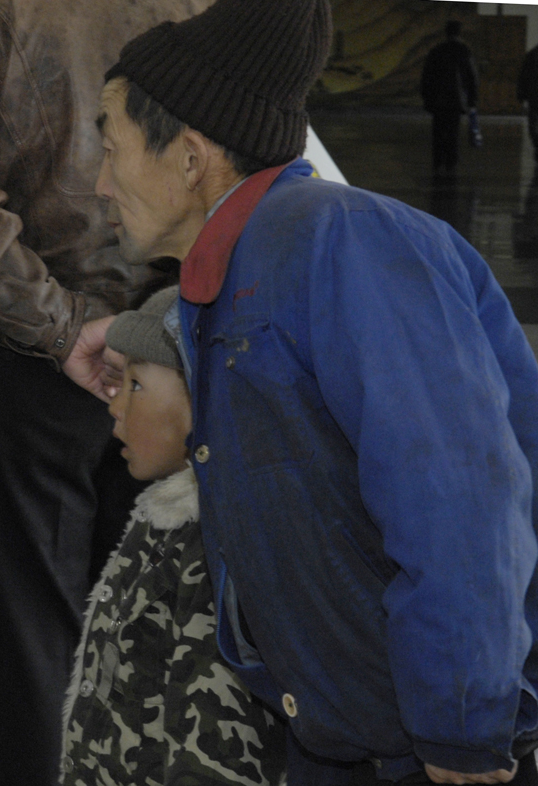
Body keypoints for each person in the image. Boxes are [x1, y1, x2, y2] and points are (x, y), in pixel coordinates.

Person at [88, 0, 538, 783]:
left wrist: (461, 721)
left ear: (190, 158)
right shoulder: (231, 274)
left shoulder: (343, 240)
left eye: (110, 148)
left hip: (430, 751)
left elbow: (455, 489)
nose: (98, 184)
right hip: (343, 733)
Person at [0, 0, 211, 782]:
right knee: (157, 622)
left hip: (23, 355)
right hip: (169, 339)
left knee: (30, 642)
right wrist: (163, 318)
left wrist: (63, 328)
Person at [60, 285, 286, 786]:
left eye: (136, 385)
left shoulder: (215, 554)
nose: (115, 405)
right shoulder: (169, 519)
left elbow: (215, 751)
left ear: (208, 398)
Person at [421, 20, 479, 174]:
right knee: (453, 133)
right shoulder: (464, 51)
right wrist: (472, 100)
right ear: (459, 32)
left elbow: (427, 76)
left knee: (438, 132)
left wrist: (426, 98)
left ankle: (438, 161)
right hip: (456, 100)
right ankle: (451, 163)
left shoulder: (437, 50)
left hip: (438, 100)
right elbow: (472, 77)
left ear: (446, 32)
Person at [519, 43, 538, 154]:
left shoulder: (532, 54)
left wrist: (521, 94)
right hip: (534, 93)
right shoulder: (532, 54)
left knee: (532, 121)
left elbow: (524, 75)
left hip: (534, 94)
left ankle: (536, 143)